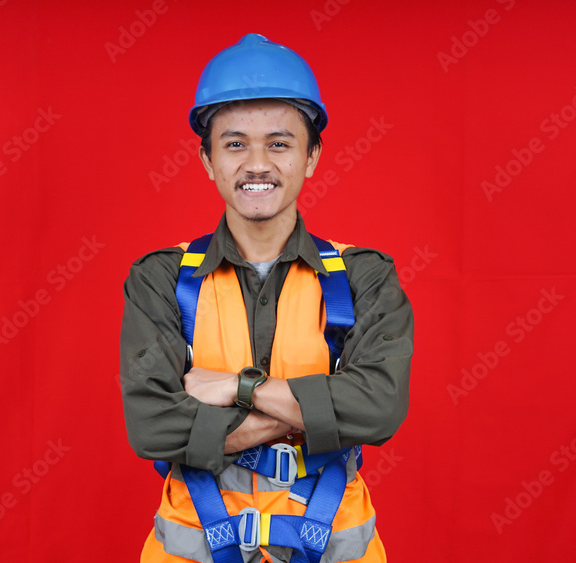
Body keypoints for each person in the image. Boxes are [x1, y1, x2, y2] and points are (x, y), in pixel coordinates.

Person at [120, 33, 413, 563]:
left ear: (312, 156)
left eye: (279, 143)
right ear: (208, 160)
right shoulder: (160, 278)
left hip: (335, 547)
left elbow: (378, 410)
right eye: (235, 143)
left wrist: (236, 386)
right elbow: (153, 427)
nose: (257, 164)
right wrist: (318, 409)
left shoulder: (365, 276)